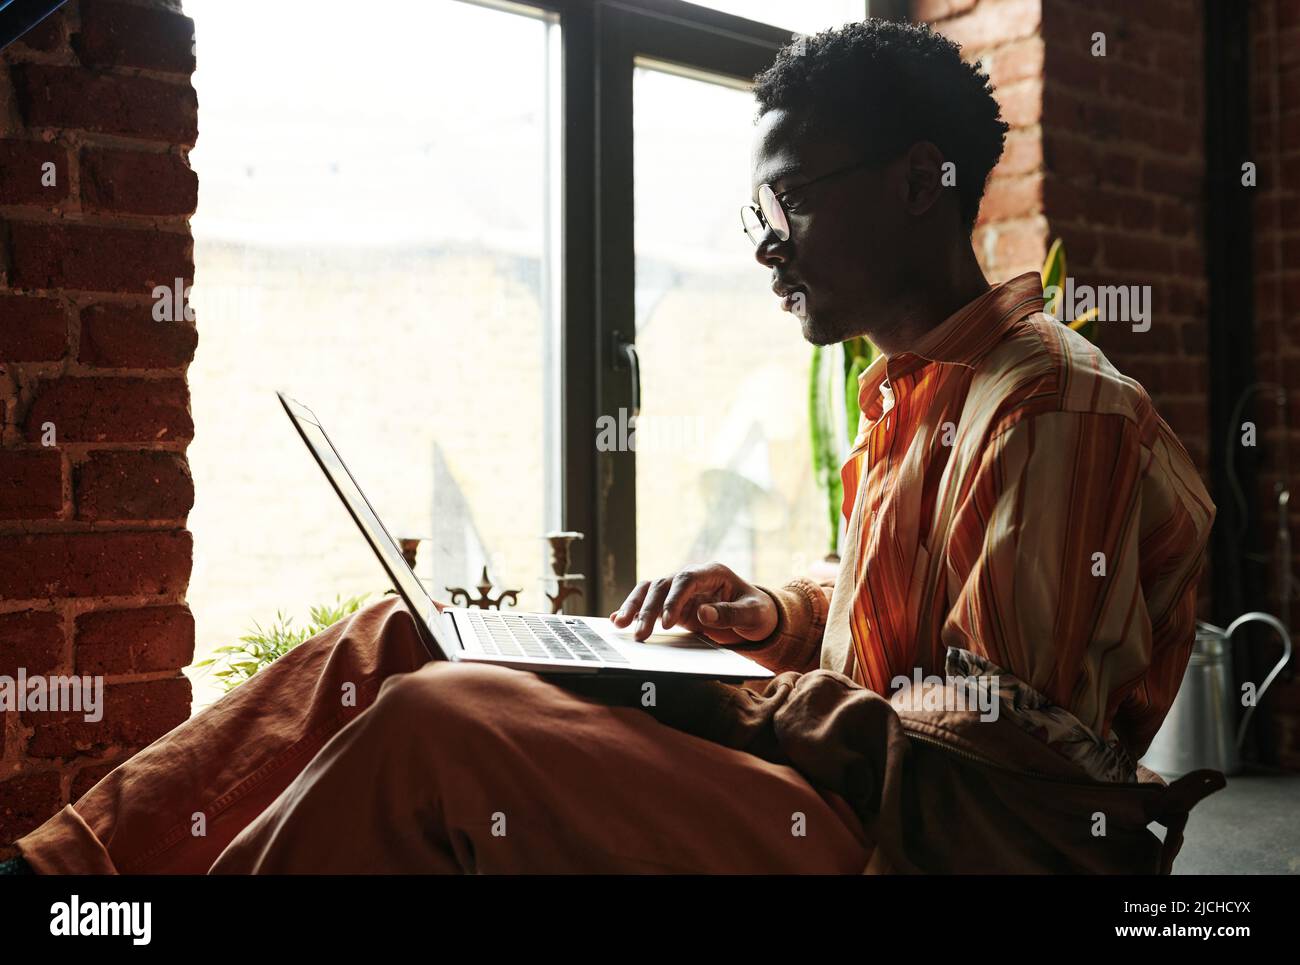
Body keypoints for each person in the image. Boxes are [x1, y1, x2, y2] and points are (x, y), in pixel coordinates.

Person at [14, 19, 1219, 876]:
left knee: (441, 725)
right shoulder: (917, 393)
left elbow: (994, 768)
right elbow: (898, 627)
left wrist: (709, 701)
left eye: (790, 200)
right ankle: (62, 878)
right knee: (398, 638)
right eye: (760, 211)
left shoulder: (1052, 407)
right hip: (842, 777)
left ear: (918, 183)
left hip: (898, 838)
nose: (766, 244)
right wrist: (768, 614)